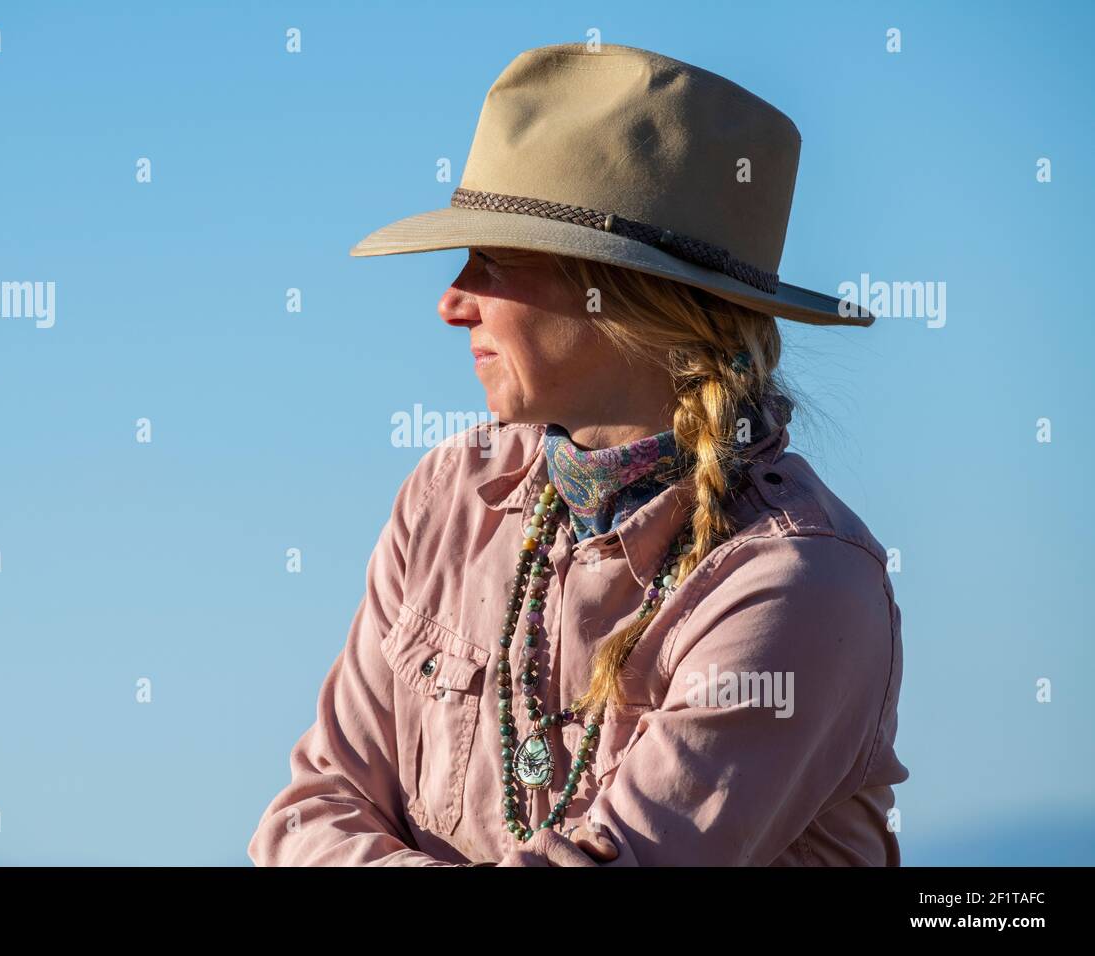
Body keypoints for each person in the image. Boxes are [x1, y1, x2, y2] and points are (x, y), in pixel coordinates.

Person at [247, 42, 908, 866]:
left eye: (493, 260)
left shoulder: (796, 581)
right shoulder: (448, 496)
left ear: (625, 298)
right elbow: (309, 814)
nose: (453, 303)